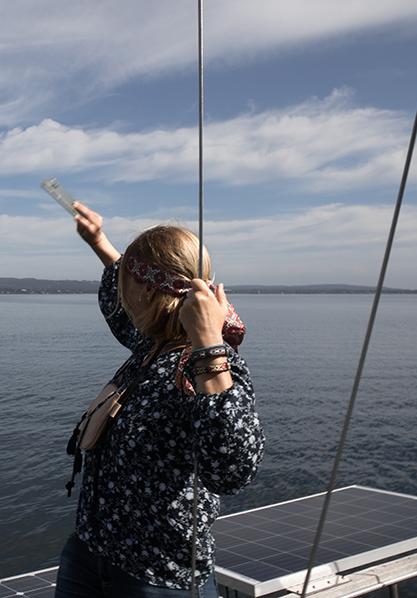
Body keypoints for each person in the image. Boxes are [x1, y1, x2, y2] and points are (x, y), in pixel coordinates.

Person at [54, 201, 265, 598]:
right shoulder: (151, 348)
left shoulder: (207, 365)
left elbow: (233, 469)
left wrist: (209, 343)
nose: (119, 287)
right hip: (92, 554)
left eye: (128, 280)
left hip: (156, 577)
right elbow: (120, 307)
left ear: (150, 289)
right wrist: (99, 240)